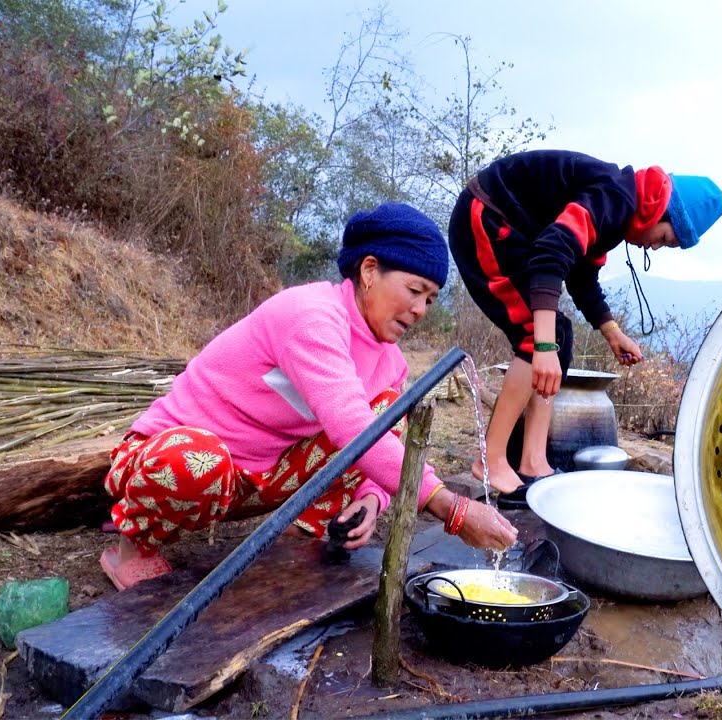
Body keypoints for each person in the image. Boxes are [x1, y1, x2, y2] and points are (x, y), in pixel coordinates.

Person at [100, 202, 519, 591]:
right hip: (170, 458)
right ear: (369, 270)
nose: (421, 309)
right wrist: (451, 508)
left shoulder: (390, 362)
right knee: (197, 463)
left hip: (261, 474)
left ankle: (296, 541)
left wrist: (371, 498)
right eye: (414, 290)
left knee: (387, 410)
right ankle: (132, 547)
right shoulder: (311, 316)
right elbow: (351, 426)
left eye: (430, 299)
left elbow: (379, 438)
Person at [447, 149, 722, 502]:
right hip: (487, 217)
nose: (656, 247)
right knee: (539, 335)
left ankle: (533, 463)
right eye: (666, 238)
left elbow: (581, 277)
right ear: (659, 210)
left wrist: (612, 332)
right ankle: (492, 460)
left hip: (514, 232)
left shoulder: (616, 214)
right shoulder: (615, 197)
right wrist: (543, 347)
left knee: (558, 335)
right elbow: (551, 254)